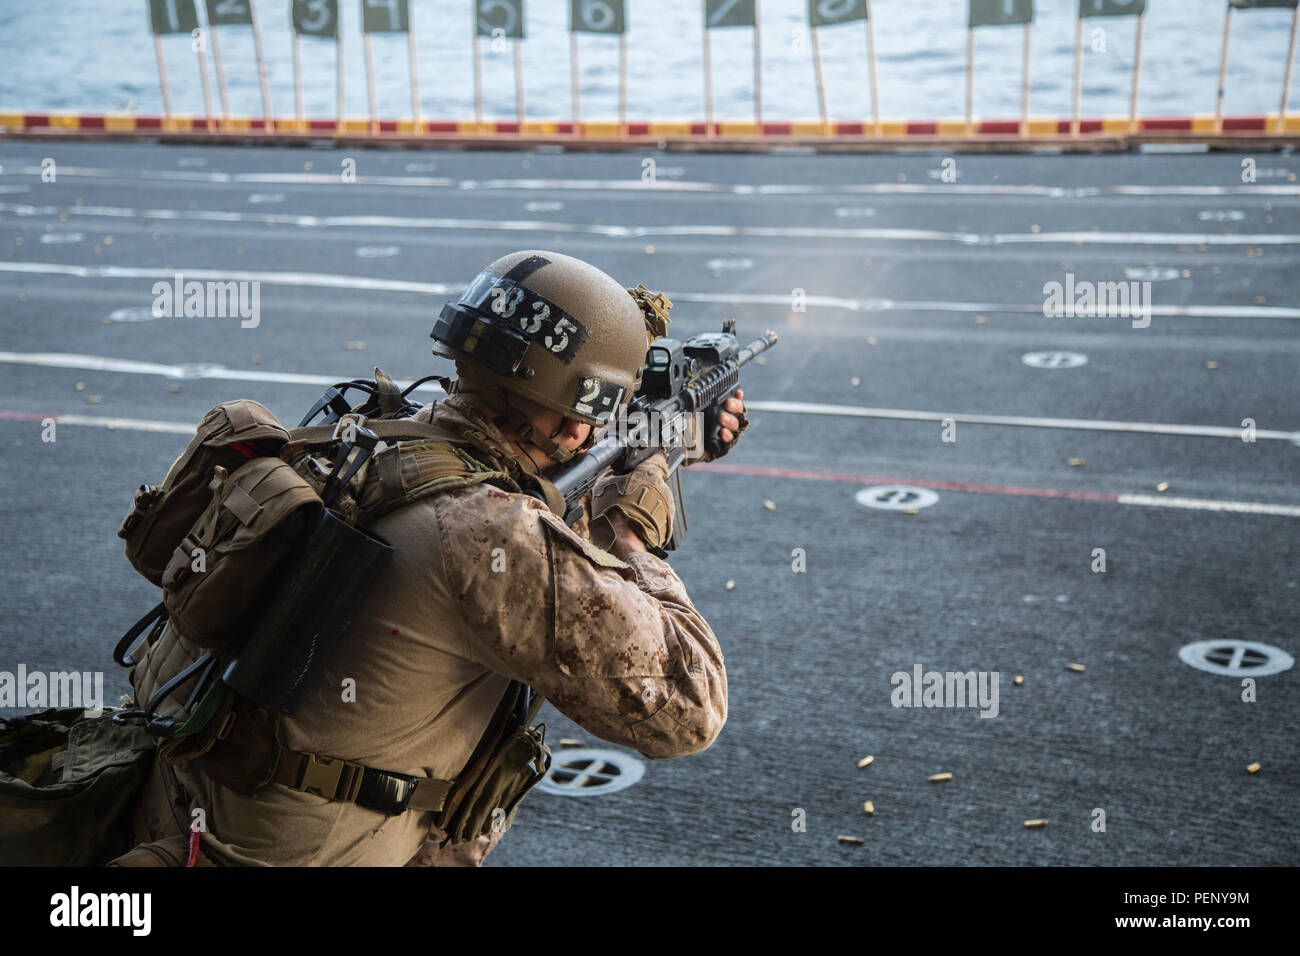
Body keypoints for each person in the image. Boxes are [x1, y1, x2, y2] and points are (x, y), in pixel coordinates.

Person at [111, 250, 749, 867]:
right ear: (574, 414)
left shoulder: (372, 440)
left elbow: (523, 520)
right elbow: (691, 706)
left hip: (178, 812)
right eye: (602, 409)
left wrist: (664, 450)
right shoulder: (488, 534)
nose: (602, 428)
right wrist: (632, 530)